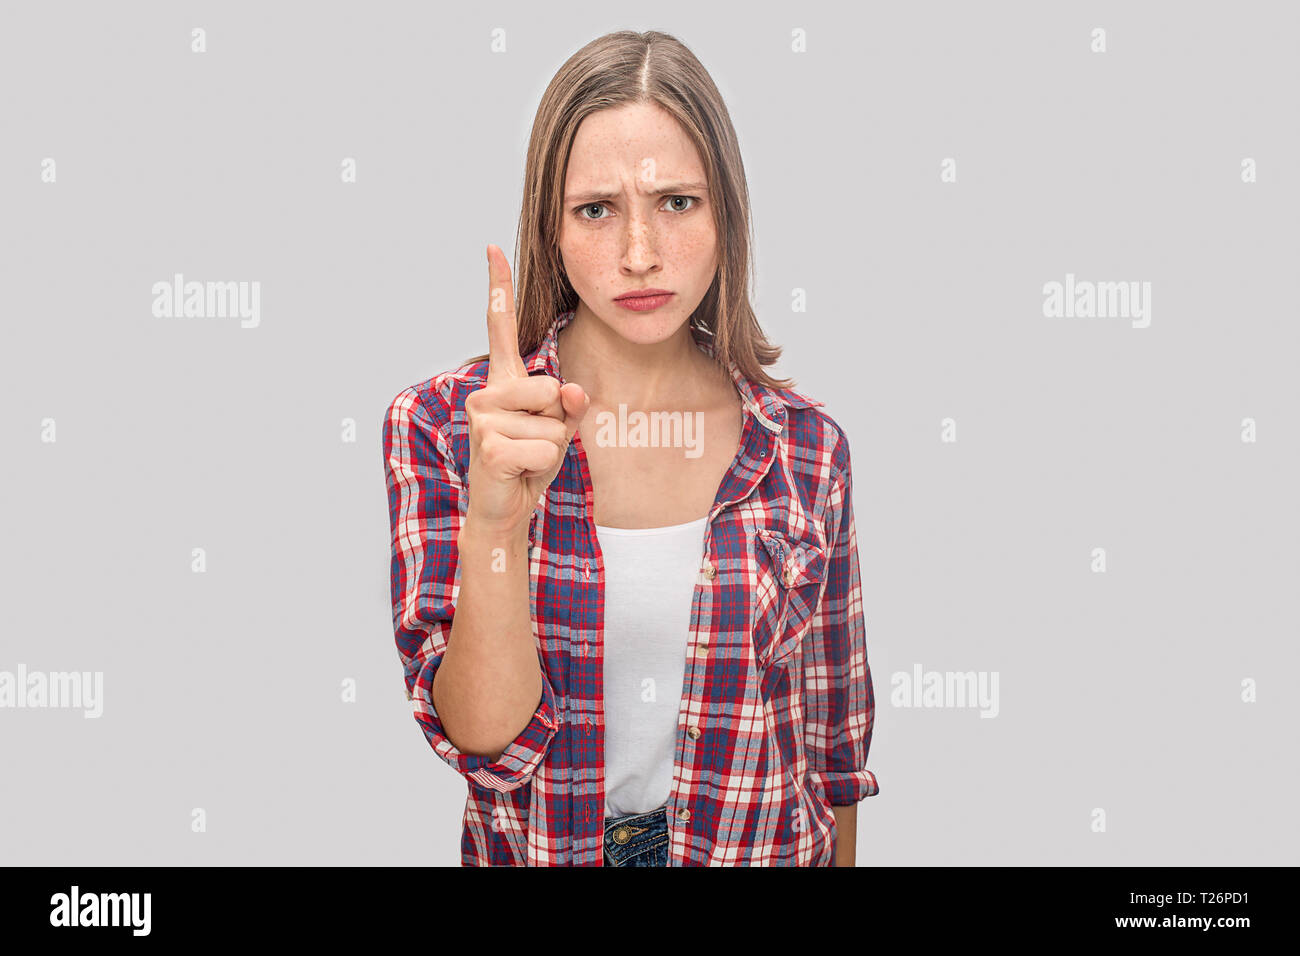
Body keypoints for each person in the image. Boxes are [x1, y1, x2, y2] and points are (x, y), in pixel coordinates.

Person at [382, 29, 878, 866]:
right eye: (597, 209)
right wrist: (497, 523)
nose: (640, 255)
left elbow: (831, 757)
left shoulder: (807, 450)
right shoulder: (441, 429)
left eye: (677, 203)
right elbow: (482, 743)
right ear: (552, 223)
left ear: (726, 213)